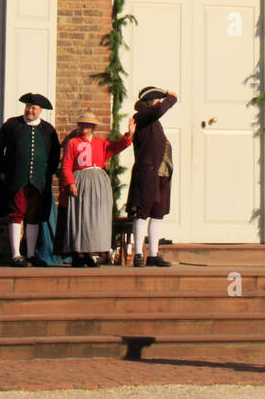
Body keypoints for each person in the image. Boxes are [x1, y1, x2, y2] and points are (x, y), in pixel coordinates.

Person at [0, 92, 60, 267]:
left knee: (34, 216)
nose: (30, 110)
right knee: (16, 213)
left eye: (34, 108)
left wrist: (47, 174)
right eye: (28, 106)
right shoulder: (12, 125)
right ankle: (16, 254)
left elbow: (54, 155)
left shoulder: (48, 130)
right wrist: (3, 170)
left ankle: (30, 254)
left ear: (40, 110)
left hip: (39, 181)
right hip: (17, 179)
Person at [59, 111, 136, 266]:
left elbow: (115, 148)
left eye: (87, 125)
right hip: (81, 180)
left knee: (94, 217)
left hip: (97, 182)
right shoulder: (73, 143)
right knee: (81, 216)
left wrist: (129, 135)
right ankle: (78, 254)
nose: (84, 127)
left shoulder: (100, 143)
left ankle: (91, 252)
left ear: (93, 127)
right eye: (82, 124)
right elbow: (66, 165)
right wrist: (71, 183)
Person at [126, 86, 177, 267]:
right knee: (142, 212)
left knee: (157, 214)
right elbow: (159, 110)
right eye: (157, 101)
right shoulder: (142, 116)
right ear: (149, 102)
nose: (159, 104)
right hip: (147, 173)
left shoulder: (152, 119)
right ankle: (138, 253)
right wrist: (171, 98)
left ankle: (153, 254)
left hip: (162, 173)